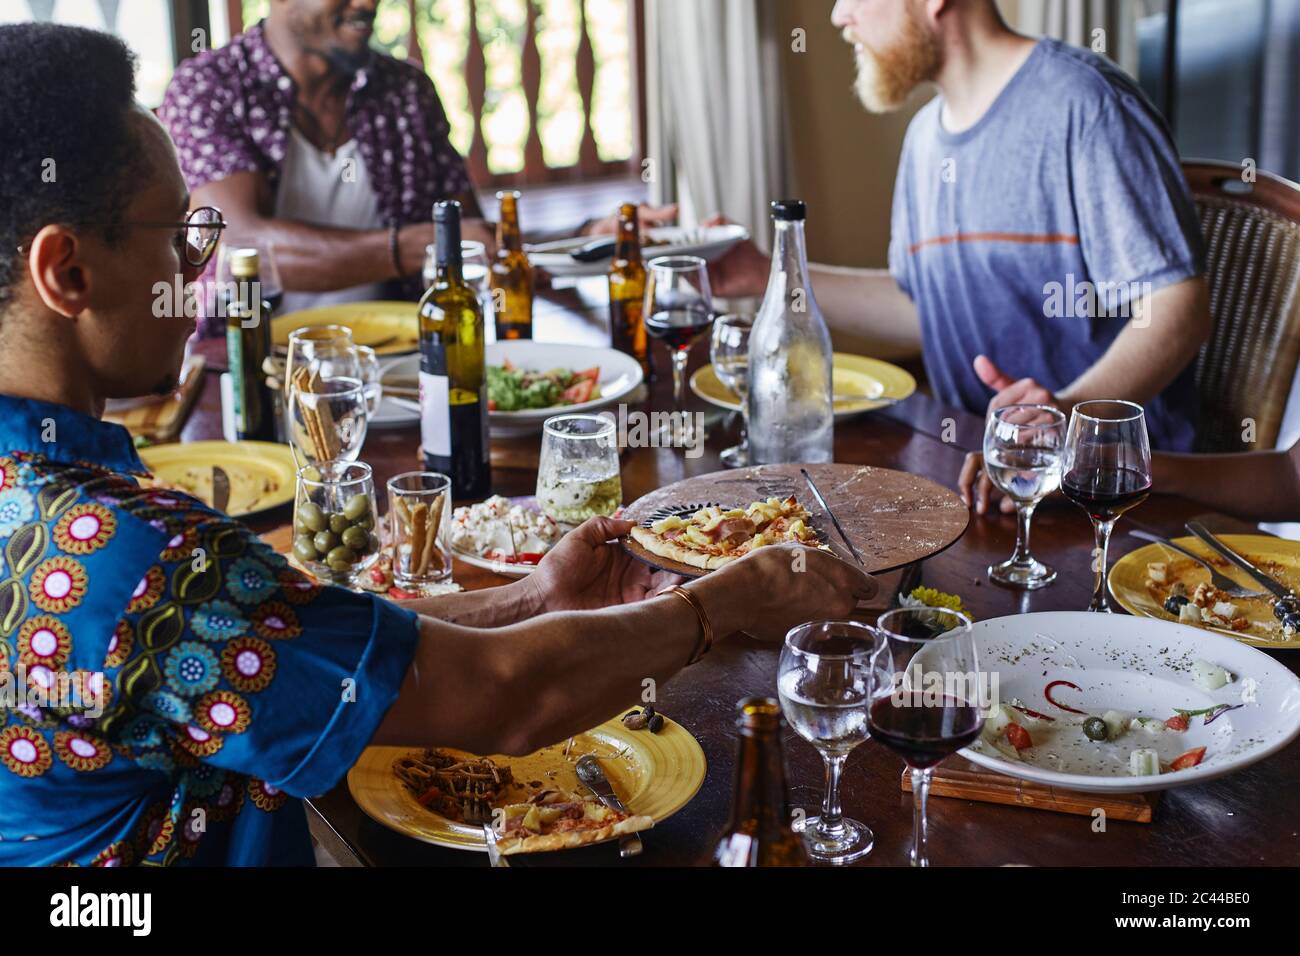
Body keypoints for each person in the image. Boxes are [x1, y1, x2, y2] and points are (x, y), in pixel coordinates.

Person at [0, 23, 873, 866]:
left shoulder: (53, 498)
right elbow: (501, 696)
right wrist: (724, 603)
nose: (197, 267)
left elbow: (309, 638)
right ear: (67, 272)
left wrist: (533, 599)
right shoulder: (128, 558)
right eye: (177, 234)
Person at [708, 0, 1212, 461]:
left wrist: (1066, 413)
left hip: (1114, 491)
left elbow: (1178, 309)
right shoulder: (924, 139)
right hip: (978, 470)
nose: (840, 16)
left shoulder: (1086, 105)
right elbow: (927, 309)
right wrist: (762, 275)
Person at [159, 0, 674, 319]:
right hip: (250, 370)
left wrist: (589, 236)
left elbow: (472, 238)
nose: (367, 4)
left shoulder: (405, 91)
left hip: (400, 368)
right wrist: (413, 247)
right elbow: (240, 248)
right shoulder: (208, 88)